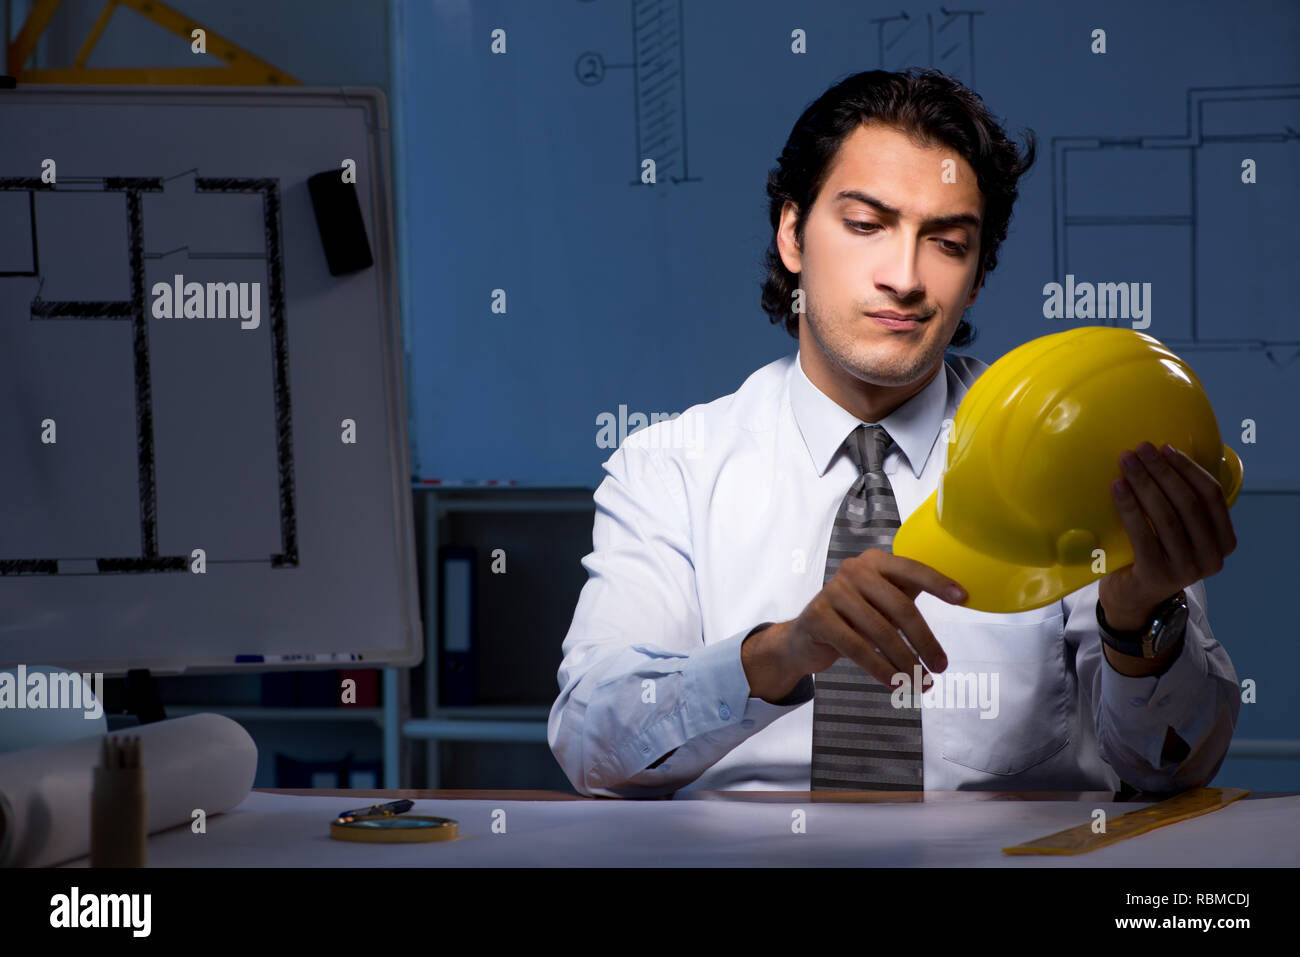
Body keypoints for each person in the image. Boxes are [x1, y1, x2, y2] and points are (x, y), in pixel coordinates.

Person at [548, 68, 1240, 798]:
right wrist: (779, 654)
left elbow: (1173, 769)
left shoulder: (1075, 442)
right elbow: (592, 744)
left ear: (976, 276)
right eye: (866, 225)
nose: (904, 276)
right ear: (792, 235)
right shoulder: (670, 469)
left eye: (946, 242)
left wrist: (1138, 627)